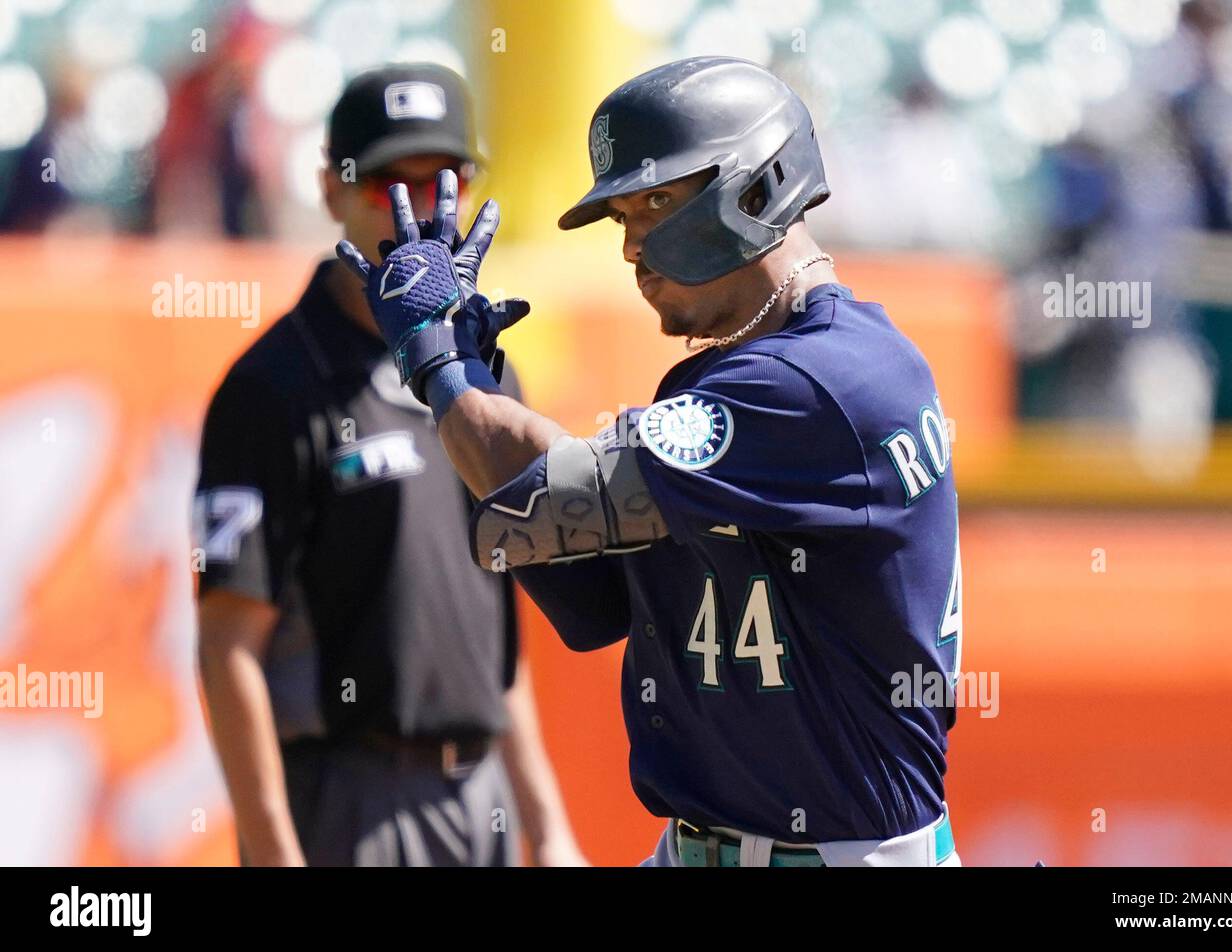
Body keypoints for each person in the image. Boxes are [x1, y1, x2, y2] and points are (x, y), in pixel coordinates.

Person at [337, 56, 963, 867]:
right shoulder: (747, 371)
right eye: (622, 216)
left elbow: (560, 502)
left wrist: (438, 363)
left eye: (658, 203)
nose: (632, 245)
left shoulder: (826, 381)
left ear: (758, 186)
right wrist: (473, 383)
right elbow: (584, 575)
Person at [194, 63, 584, 867]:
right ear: (328, 189)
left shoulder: (486, 373)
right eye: (385, 186)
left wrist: (544, 820)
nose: (415, 214)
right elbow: (228, 642)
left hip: (484, 796)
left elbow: (493, 622)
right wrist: (271, 852)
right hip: (348, 805)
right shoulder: (272, 387)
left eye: (443, 180)